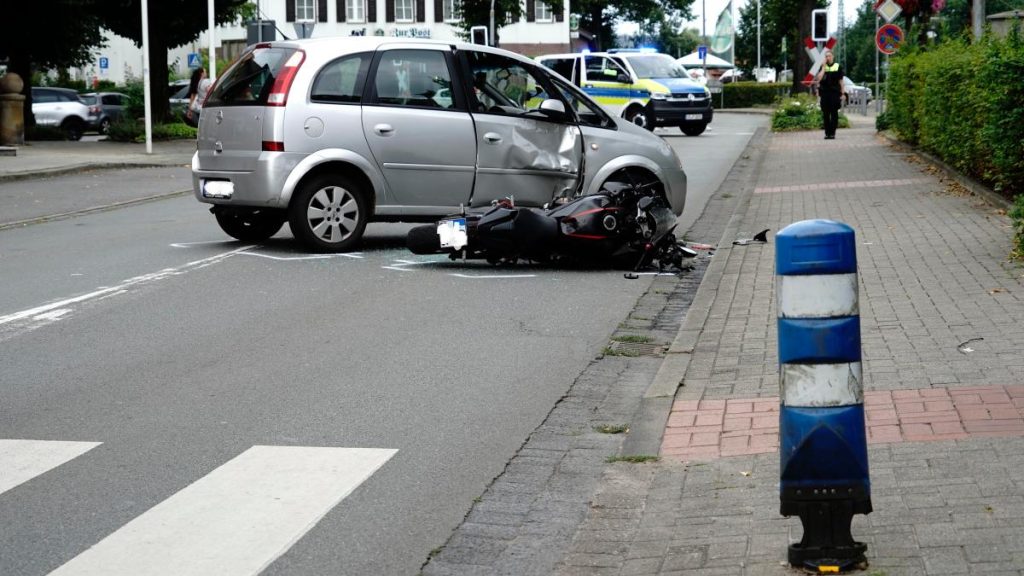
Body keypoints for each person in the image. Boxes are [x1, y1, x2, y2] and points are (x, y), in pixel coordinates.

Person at [815, 50, 844, 140]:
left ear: (833, 56)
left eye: (829, 56)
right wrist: (823, 68)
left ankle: (832, 133)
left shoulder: (838, 66)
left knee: (834, 113)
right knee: (826, 114)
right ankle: (827, 133)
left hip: (834, 93)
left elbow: (841, 81)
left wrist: (842, 93)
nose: (828, 58)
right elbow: (819, 78)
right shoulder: (823, 67)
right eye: (826, 56)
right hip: (825, 93)